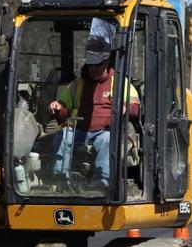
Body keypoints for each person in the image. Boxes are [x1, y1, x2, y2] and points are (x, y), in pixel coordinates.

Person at [50, 39, 139, 187]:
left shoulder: (119, 82)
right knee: (63, 135)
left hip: (105, 131)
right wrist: (58, 107)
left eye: (98, 65)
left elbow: (135, 107)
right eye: (91, 65)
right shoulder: (77, 84)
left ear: (107, 63)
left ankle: (101, 180)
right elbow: (63, 110)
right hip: (78, 130)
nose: (93, 69)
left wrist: (125, 108)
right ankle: (60, 177)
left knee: (108, 140)